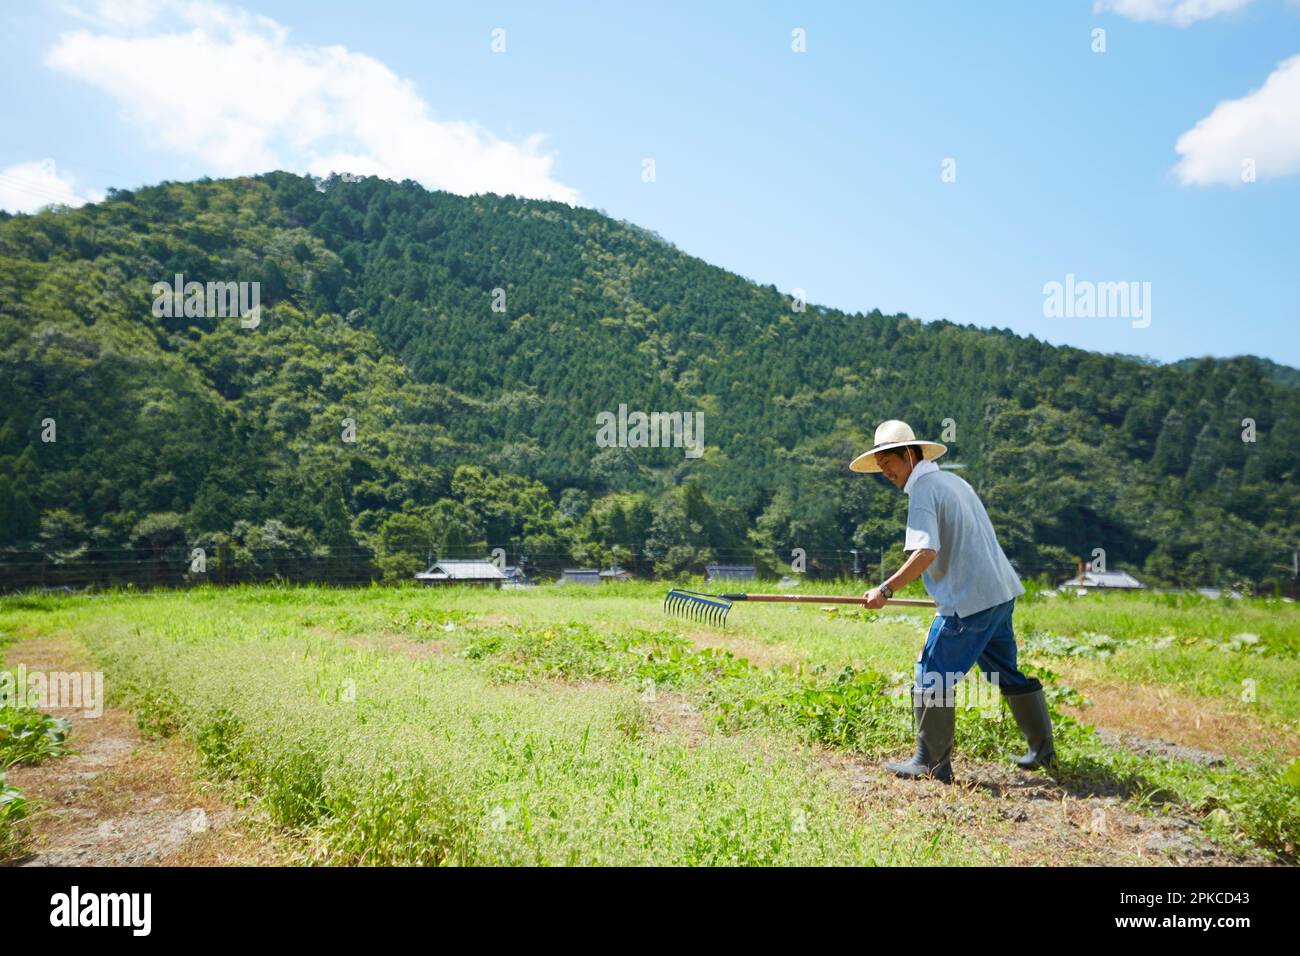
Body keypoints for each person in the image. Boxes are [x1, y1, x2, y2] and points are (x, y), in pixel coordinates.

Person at [849, 419, 1055, 783]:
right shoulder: (953, 482)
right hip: (998, 595)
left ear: (910, 454)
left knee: (931, 675)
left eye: (889, 462)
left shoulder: (924, 490)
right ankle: (1043, 751)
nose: (885, 472)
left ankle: (931, 764)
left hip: (968, 603)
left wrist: (885, 590)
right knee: (1004, 673)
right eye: (880, 467)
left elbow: (925, 552)